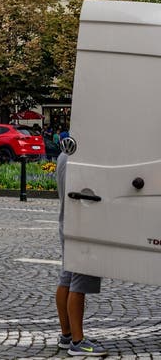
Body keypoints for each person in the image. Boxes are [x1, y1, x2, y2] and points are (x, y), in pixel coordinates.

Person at [55, 148, 107, 356]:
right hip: (83, 225)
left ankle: (67, 335)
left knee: (67, 278)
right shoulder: (83, 156)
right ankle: (78, 341)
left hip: (68, 222)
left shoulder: (65, 153)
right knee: (79, 280)